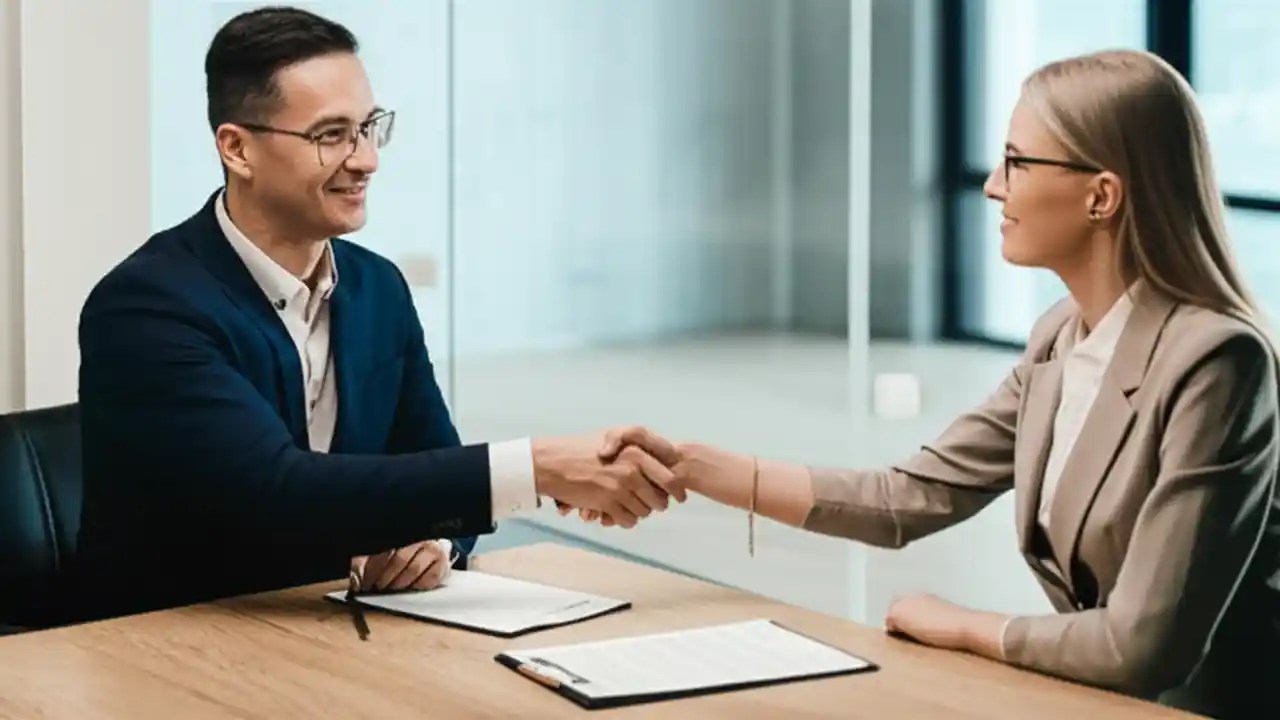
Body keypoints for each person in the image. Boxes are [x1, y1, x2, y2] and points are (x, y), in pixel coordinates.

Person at [596, 50, 1280, 718]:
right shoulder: (1059, 338)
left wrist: (961, 625)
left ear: (1101, 195)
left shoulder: (1218, 361)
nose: (992, 185)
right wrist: (689, 466)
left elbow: (1142, 649)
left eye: (1017, 161)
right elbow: (906, 499)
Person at [68, 7, 680, 624]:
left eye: (368, 128)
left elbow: (431, 457)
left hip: (329, 635)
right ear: (237, 148)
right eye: (330, 135)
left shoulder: (377, 286)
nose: (365, 160)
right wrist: (538, 468)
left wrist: (433, 543)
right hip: (165, 650)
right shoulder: (146, 307)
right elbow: (275, 492)